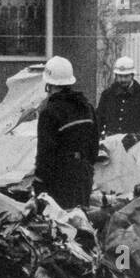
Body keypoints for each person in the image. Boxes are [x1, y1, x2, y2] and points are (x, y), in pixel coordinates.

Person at [32, 56, 98, 210]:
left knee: (61, 228)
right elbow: (94, 147)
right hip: (83, 176)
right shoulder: (86, 107)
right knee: (81, 223)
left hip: (60, 180)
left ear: (48, 84)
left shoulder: (49, 112)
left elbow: (45, 153)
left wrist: (39, 183)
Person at [96, 56, 140, 150]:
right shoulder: (107, 95)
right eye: (120, 76)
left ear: (132, 75)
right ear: (116, 76)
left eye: (126, 76)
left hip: (134, 146)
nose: (123, 79)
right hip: (110, 146)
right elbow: (99, 120)